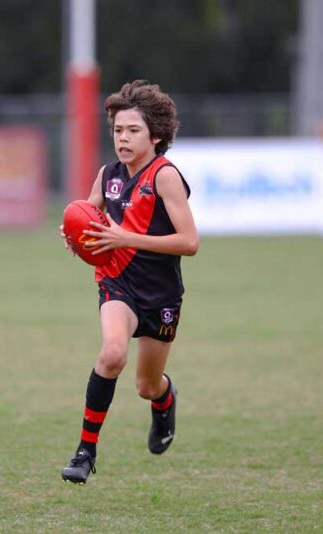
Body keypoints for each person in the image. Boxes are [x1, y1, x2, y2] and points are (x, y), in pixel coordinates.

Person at [59, 80, 198, 484]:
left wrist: (125, 237)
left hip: (161, 294)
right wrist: (74, 235)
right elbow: (88, 217)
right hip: (117, 283)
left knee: (145, 384)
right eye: (118, 130)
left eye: (132, 130)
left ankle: (164, 399)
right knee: (113, 353)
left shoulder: (165, 177)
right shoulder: (108, 175)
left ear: (155, 135)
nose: (123, 138)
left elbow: (189, 242)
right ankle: (86, 451)